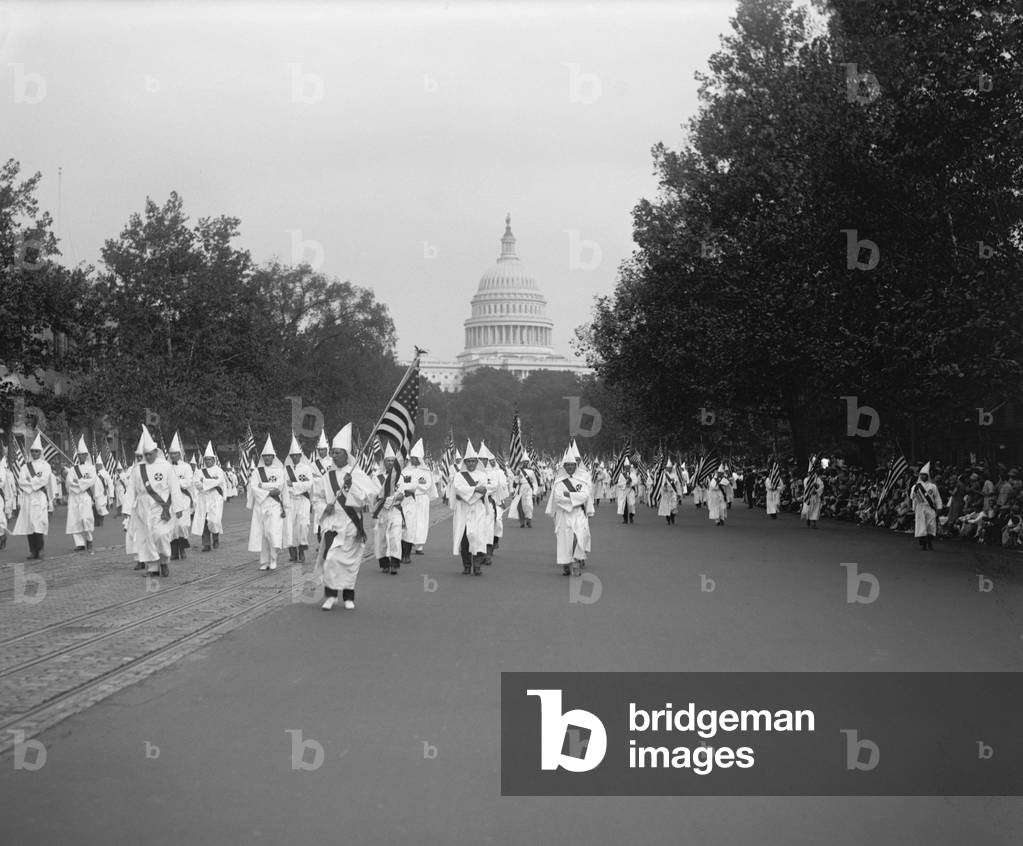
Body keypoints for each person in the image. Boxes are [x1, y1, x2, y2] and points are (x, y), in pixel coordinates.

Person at [317, 423, 380, 610]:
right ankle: (330, 596)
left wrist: (351, 485)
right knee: (330, 559)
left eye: (338, 452)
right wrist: (323, 507)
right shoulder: (326, 477)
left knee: (350, 563)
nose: (334, 456)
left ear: (346, 454)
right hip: (332, 522)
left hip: (352, 523)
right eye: (333, 452)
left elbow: (369, 497)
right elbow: (317, 497)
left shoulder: (357, 474)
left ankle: (348, 596)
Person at [126, 426, 186, 577]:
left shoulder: (165, 467)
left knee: (160, 535)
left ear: (156, 451)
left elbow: (174, 488)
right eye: (146, 454)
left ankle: (164, 561)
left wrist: (178, 507)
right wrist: (126, 510)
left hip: (161, 508)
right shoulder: (137, 469)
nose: (149, 457)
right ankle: (152, 568)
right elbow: (131, 490)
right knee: (147, 537)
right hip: (142, 509)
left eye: (151, 454)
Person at [546, 447, 595, 576]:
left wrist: (568, 495)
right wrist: (574, 497)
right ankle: (567, 563)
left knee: (579, 537)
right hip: (564, 514)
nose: (570, 467)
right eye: (567, 465)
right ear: (564, 466)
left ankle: (576, 562)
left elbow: (584, 496)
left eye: (572, 465)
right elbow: (558, 498)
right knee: (565, 539)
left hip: (578, 513)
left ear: (576, 466)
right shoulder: (559, 482)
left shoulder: (582, 481)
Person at [452, 440, 497, 575]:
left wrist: (472, 492)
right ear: (465, 463)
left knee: (478, 537)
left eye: (473, 461)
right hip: (463, 510)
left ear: (477, 462)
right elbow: (458, 489)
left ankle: (477, 566)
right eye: (468, 461)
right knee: (465, 538)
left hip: (478, 509)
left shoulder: (483, 475)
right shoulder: (459, 476)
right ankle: (467, 565)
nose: (471, 464)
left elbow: (486, 489)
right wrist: (475, 489)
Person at [247, 435, 286, 571]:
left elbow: (279, 488)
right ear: (263, 457)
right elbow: (253, 487)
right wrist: (269, 490)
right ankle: (264, 561)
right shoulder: (257, 472)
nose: (268, 458)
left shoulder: (279, 471)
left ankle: (274, 558)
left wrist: (263, 486)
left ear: (273, 457)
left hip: (275, 506)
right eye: (265, 456)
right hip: (261, 505)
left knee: (272, 532)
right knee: (263, 534)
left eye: (270, 456)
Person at [13, 433, 53, 560]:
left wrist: (31, 482)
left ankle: (40, 549)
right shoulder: (25, 466)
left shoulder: (46, 466)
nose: (35, 453)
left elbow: (44, 480)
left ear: (40, 452)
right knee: (30, 524)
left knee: (38, 523)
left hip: (40, 497)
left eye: (37, 451)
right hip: (28, 498)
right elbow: (21, 481)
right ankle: (32, 551)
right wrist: (33, 483)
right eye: (33, 451)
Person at [66, 435, 107, 553]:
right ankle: (79, 544)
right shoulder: (73, 469)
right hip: (74, 497)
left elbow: (91, 481)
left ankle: (89, 538)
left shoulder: (92, 468)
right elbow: (69, 482)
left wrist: (78, 483)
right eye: (79, 455)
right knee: (75, 520)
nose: (81, 456)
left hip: (85, 496)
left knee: (85, 519)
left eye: (83, 454)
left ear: (86, 455)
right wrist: (80, 483)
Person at [373, 442, 405, 575]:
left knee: (395, 536)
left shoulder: (400, 477)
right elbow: (375, 494)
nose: (391, 463)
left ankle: (395, 564)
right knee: (381, 538)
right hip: (382, 512)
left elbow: (401, 494)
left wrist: (395, 498)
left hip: (395, 511)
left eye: (393, 460)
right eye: (388, 461)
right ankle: (384, 563)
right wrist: (386, 499)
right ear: (384, 462)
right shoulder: (377, 478)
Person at [400, 438, 433, 560]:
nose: (413, 460)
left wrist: (414, 487)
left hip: (421, 499)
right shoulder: (406, 471)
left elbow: (426, 485)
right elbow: (401, 484)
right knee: (408, 522)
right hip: (408, 499)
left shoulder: (425, 471)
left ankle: (419, 545)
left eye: (415, 458)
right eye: (412, 458)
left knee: (421, 521)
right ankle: (407, 544)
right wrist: (412, 487)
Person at [283, 434, 314, 563]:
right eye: (292, 456)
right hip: (290, 500)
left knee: (303, 525)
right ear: (290, 457)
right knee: (290, 526)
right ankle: (293, 553)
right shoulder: (286, 470)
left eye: (297, 455)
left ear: (300, 456)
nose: (295, 457)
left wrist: (294, 484)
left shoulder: (306, 469)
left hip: (303, 500)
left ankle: (301, 552)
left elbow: (308, 484)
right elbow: (283, 486)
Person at [192, 441, 226, 552]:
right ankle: (206, 544)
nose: (208, 461)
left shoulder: (219, 470)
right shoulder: (199, 471)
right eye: (206, 459)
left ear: (214, 460)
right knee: (204, 521)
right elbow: (196, 484)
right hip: (203, 499)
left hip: (215, 498)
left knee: (213, 520)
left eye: (210, 459)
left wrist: (205, 482)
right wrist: (209, 482)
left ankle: (215, 536)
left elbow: (218, 481)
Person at [167, 433, 194, 561]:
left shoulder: (186, 467)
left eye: (175, 453)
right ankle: (173, 552)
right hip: (170, 500)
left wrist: (175, 483)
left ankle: (182, 548)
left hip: (183, 499)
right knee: (172, 526)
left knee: (182, 525)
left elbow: (188, 482)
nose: (173, 456)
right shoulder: (166, 467)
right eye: (171, 453)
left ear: (180, 453)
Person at [910, 462, 942, 551]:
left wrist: (939, 507)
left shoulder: (933, 486)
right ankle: (924, 544)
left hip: (930, 508)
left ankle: (929, 542)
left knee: (931, 526)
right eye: (922, 475)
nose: (923, 477)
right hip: (920, 508)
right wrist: (915, 493)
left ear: (928, 476)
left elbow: (937, 498)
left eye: (925, 475)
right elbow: (912, 497)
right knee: (922, 527)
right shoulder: (916, 486)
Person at [310, 429, 334, 541]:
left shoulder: (333, 462)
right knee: (320, 518)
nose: (321, 452)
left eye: (323, 450)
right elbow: (313, 479)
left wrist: (321, 479)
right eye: (319, 450)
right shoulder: (313, 465)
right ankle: (321, 541)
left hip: (332, 495)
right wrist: (324, 480)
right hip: (320, 495)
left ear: (327, 449)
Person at [615, 459, 638, 524]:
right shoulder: (622, 474)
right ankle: (625, 519)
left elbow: (636, 482)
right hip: (623, 491)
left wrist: (630, 482)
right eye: (626, 467)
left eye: (628, 466)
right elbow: (619, 484)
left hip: (630, 491)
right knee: (623, 505)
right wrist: (625, 483)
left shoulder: (633, 474)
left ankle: (631, 516)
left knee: (631, 504)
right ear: (624, 467)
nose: (627, 468)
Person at [657, 460, 680, 525]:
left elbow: (678, 485)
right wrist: (664, 486)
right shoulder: (665, 475)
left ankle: (672, 517)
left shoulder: (675, 475)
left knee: (674, 506)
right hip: (666, 493)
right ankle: (668, 520)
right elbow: (662, 484)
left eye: (670, 468)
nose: (669, 469)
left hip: (673, 493)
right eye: (667, 468)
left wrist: (679, 493)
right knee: (666, 507)